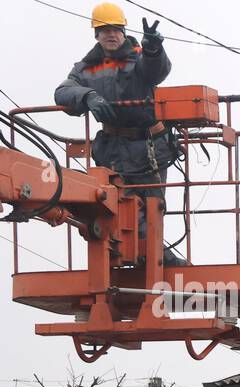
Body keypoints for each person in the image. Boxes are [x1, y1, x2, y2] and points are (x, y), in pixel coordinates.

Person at [54, 5, 184, 266]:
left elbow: (156, 71)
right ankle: (128, 252)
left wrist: (153, 49)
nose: (110, 35)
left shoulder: (139, 58)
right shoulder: (85, 69)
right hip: (112, 148)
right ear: (96, 34)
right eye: (104, 30)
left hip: (148, 146)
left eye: (115, 29)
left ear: (124, 32)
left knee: (151, 204)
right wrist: (87, 95)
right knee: (114, 202)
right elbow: (62, 91)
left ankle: (153, 252)